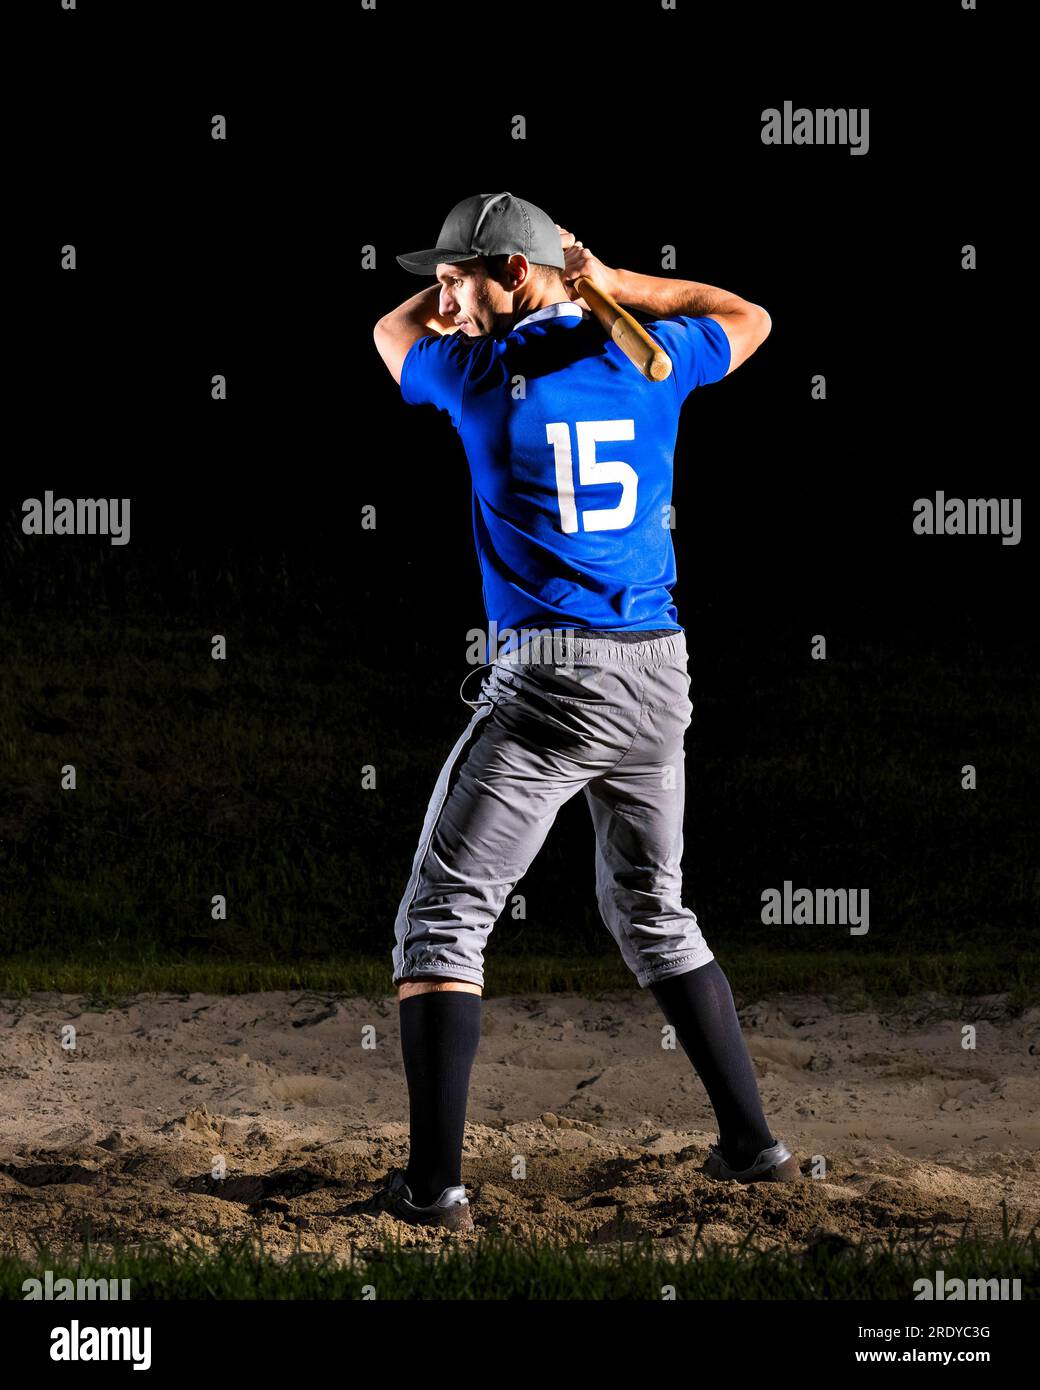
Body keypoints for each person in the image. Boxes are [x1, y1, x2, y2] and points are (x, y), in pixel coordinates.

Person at [368, 192, 799, 1232]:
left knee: (440, 920)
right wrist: (608, 287)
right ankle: (752, 1146)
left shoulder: (473, 377)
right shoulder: (653, 364)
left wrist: (526, 297)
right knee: (654, 912)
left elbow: (388, 333)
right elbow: (750, 315)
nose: (439, 296)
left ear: (513, 278)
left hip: (553, 682)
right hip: (658, 678)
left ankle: (433, 1191)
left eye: (456, 276)